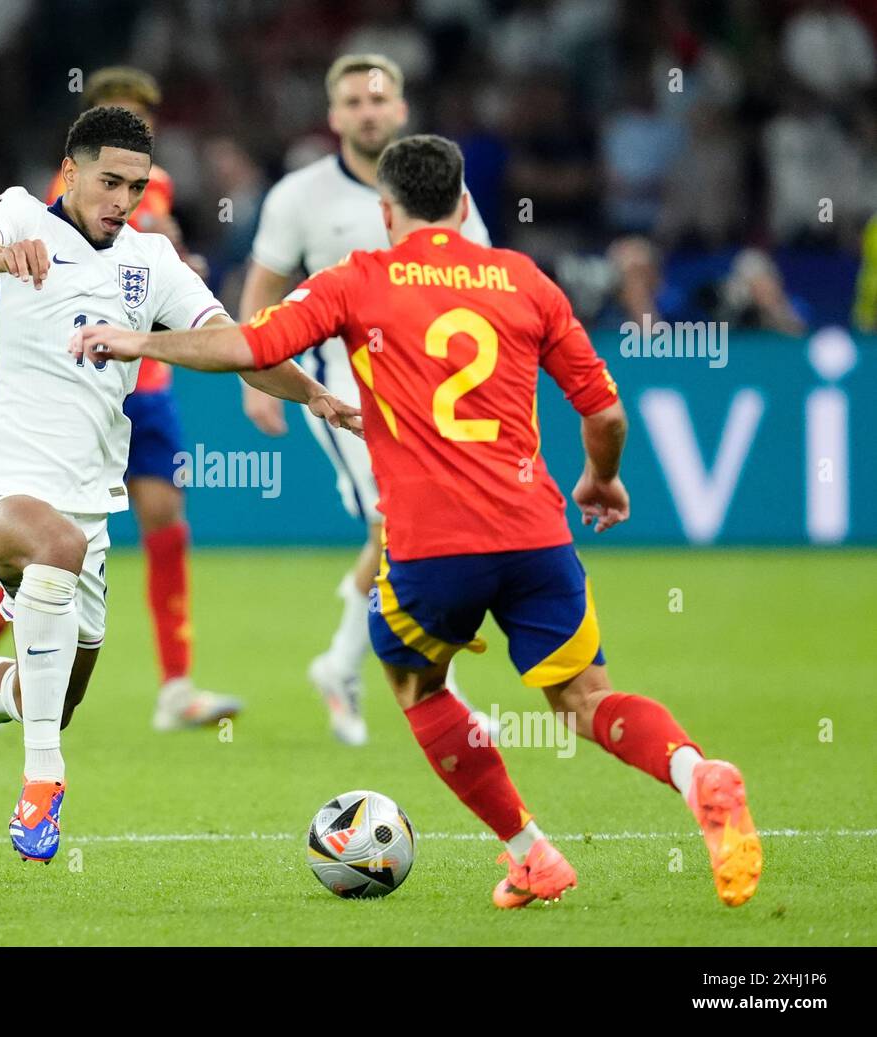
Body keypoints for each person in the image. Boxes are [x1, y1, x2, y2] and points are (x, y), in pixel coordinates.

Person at [69, 134, 762, 910]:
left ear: (386, 209)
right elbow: (603, 411)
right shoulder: (523, 278)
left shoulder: (358, 279)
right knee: (585, 698)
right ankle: (694, 771)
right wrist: (600, 479)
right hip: (537, 534)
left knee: (413, 679)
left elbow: (247, 343)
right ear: (464, 206)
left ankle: (531, 852)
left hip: (432, 544)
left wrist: (135, 338)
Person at [0, 106, 359, 864]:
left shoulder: (150, 261)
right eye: (109, 181)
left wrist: (310, 391)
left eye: (136, 186)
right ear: (72, 172)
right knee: (53, 546)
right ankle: (43, 781)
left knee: (44, 693)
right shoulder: (19, 215)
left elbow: (233, 344)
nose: (121, 199)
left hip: (89, 513)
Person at [0, 67, 241, 732]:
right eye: (116, 112)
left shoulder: (146, 194)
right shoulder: (62, 194)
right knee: (51, 534)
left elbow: (168, 275)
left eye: (141, 115)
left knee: (160, 520)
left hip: (145, 381)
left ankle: (176, 683)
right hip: (70, 384)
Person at [238, 53, 491, 746]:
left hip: (431, 386)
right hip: (343, 385)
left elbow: (479, 282)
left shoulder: (441, 185)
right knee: (400, 519)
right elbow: (262, 289)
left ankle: (341, 662)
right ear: (333, 116)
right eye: (353, 102)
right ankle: (435, 690)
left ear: (402, 108)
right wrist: (250, 380)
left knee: (404, 527)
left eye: (378, 100)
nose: (368, 111)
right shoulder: (300, 195)